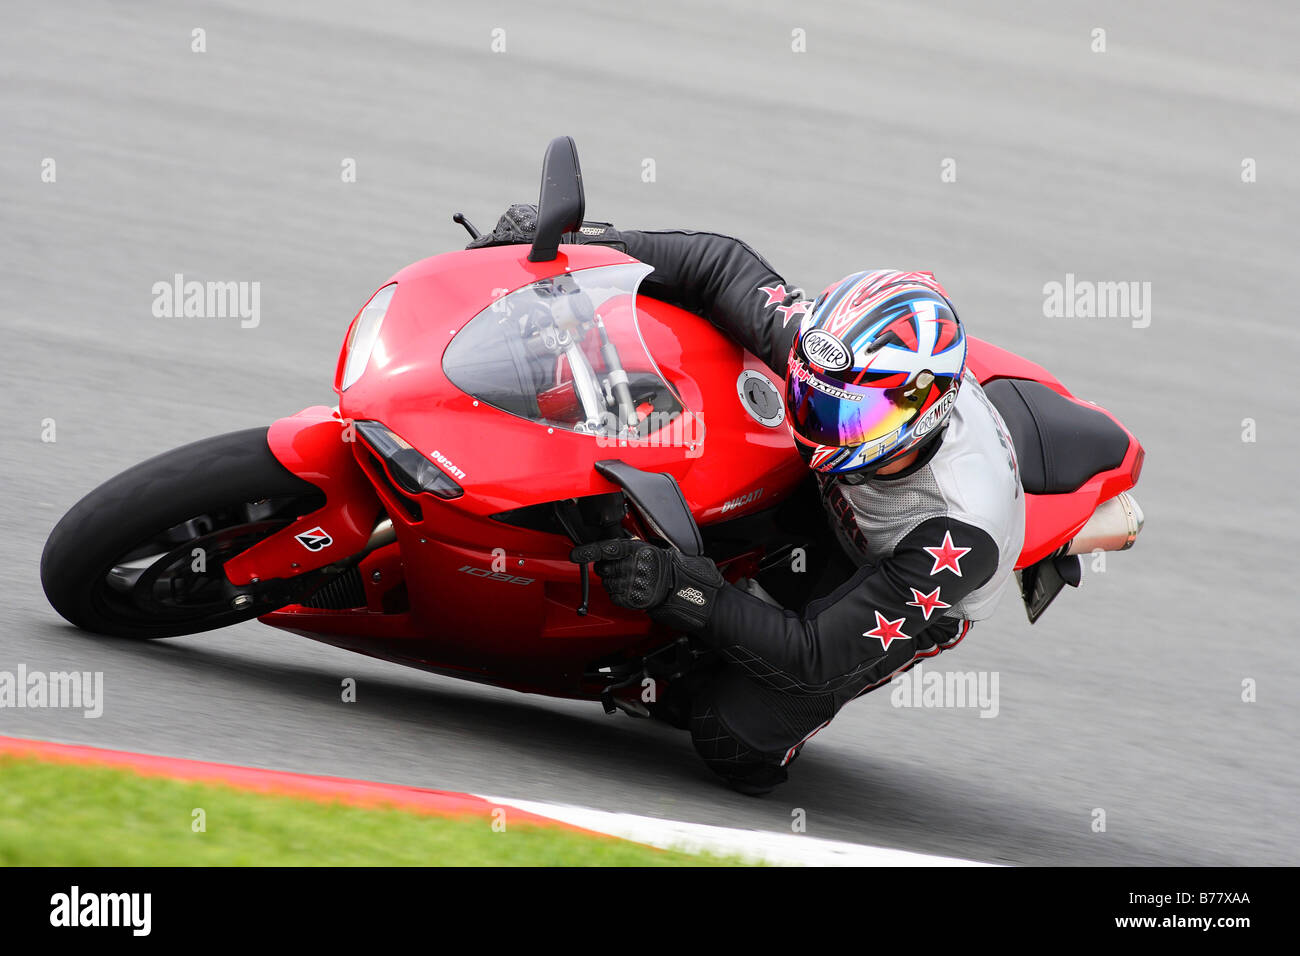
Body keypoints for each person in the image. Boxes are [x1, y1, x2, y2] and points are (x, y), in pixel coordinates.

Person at [469, 208, 1026, 794]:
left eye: (849, 414)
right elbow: (719, 268)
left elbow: (816, 652)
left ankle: (760, 726)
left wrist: (679, 588)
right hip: (828, 499)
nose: (822, 421)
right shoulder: (839, 363)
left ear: (923, 413)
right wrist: (586, 245)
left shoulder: (959, 536)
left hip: (887, 577)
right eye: (814, 394)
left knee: (728, 734)